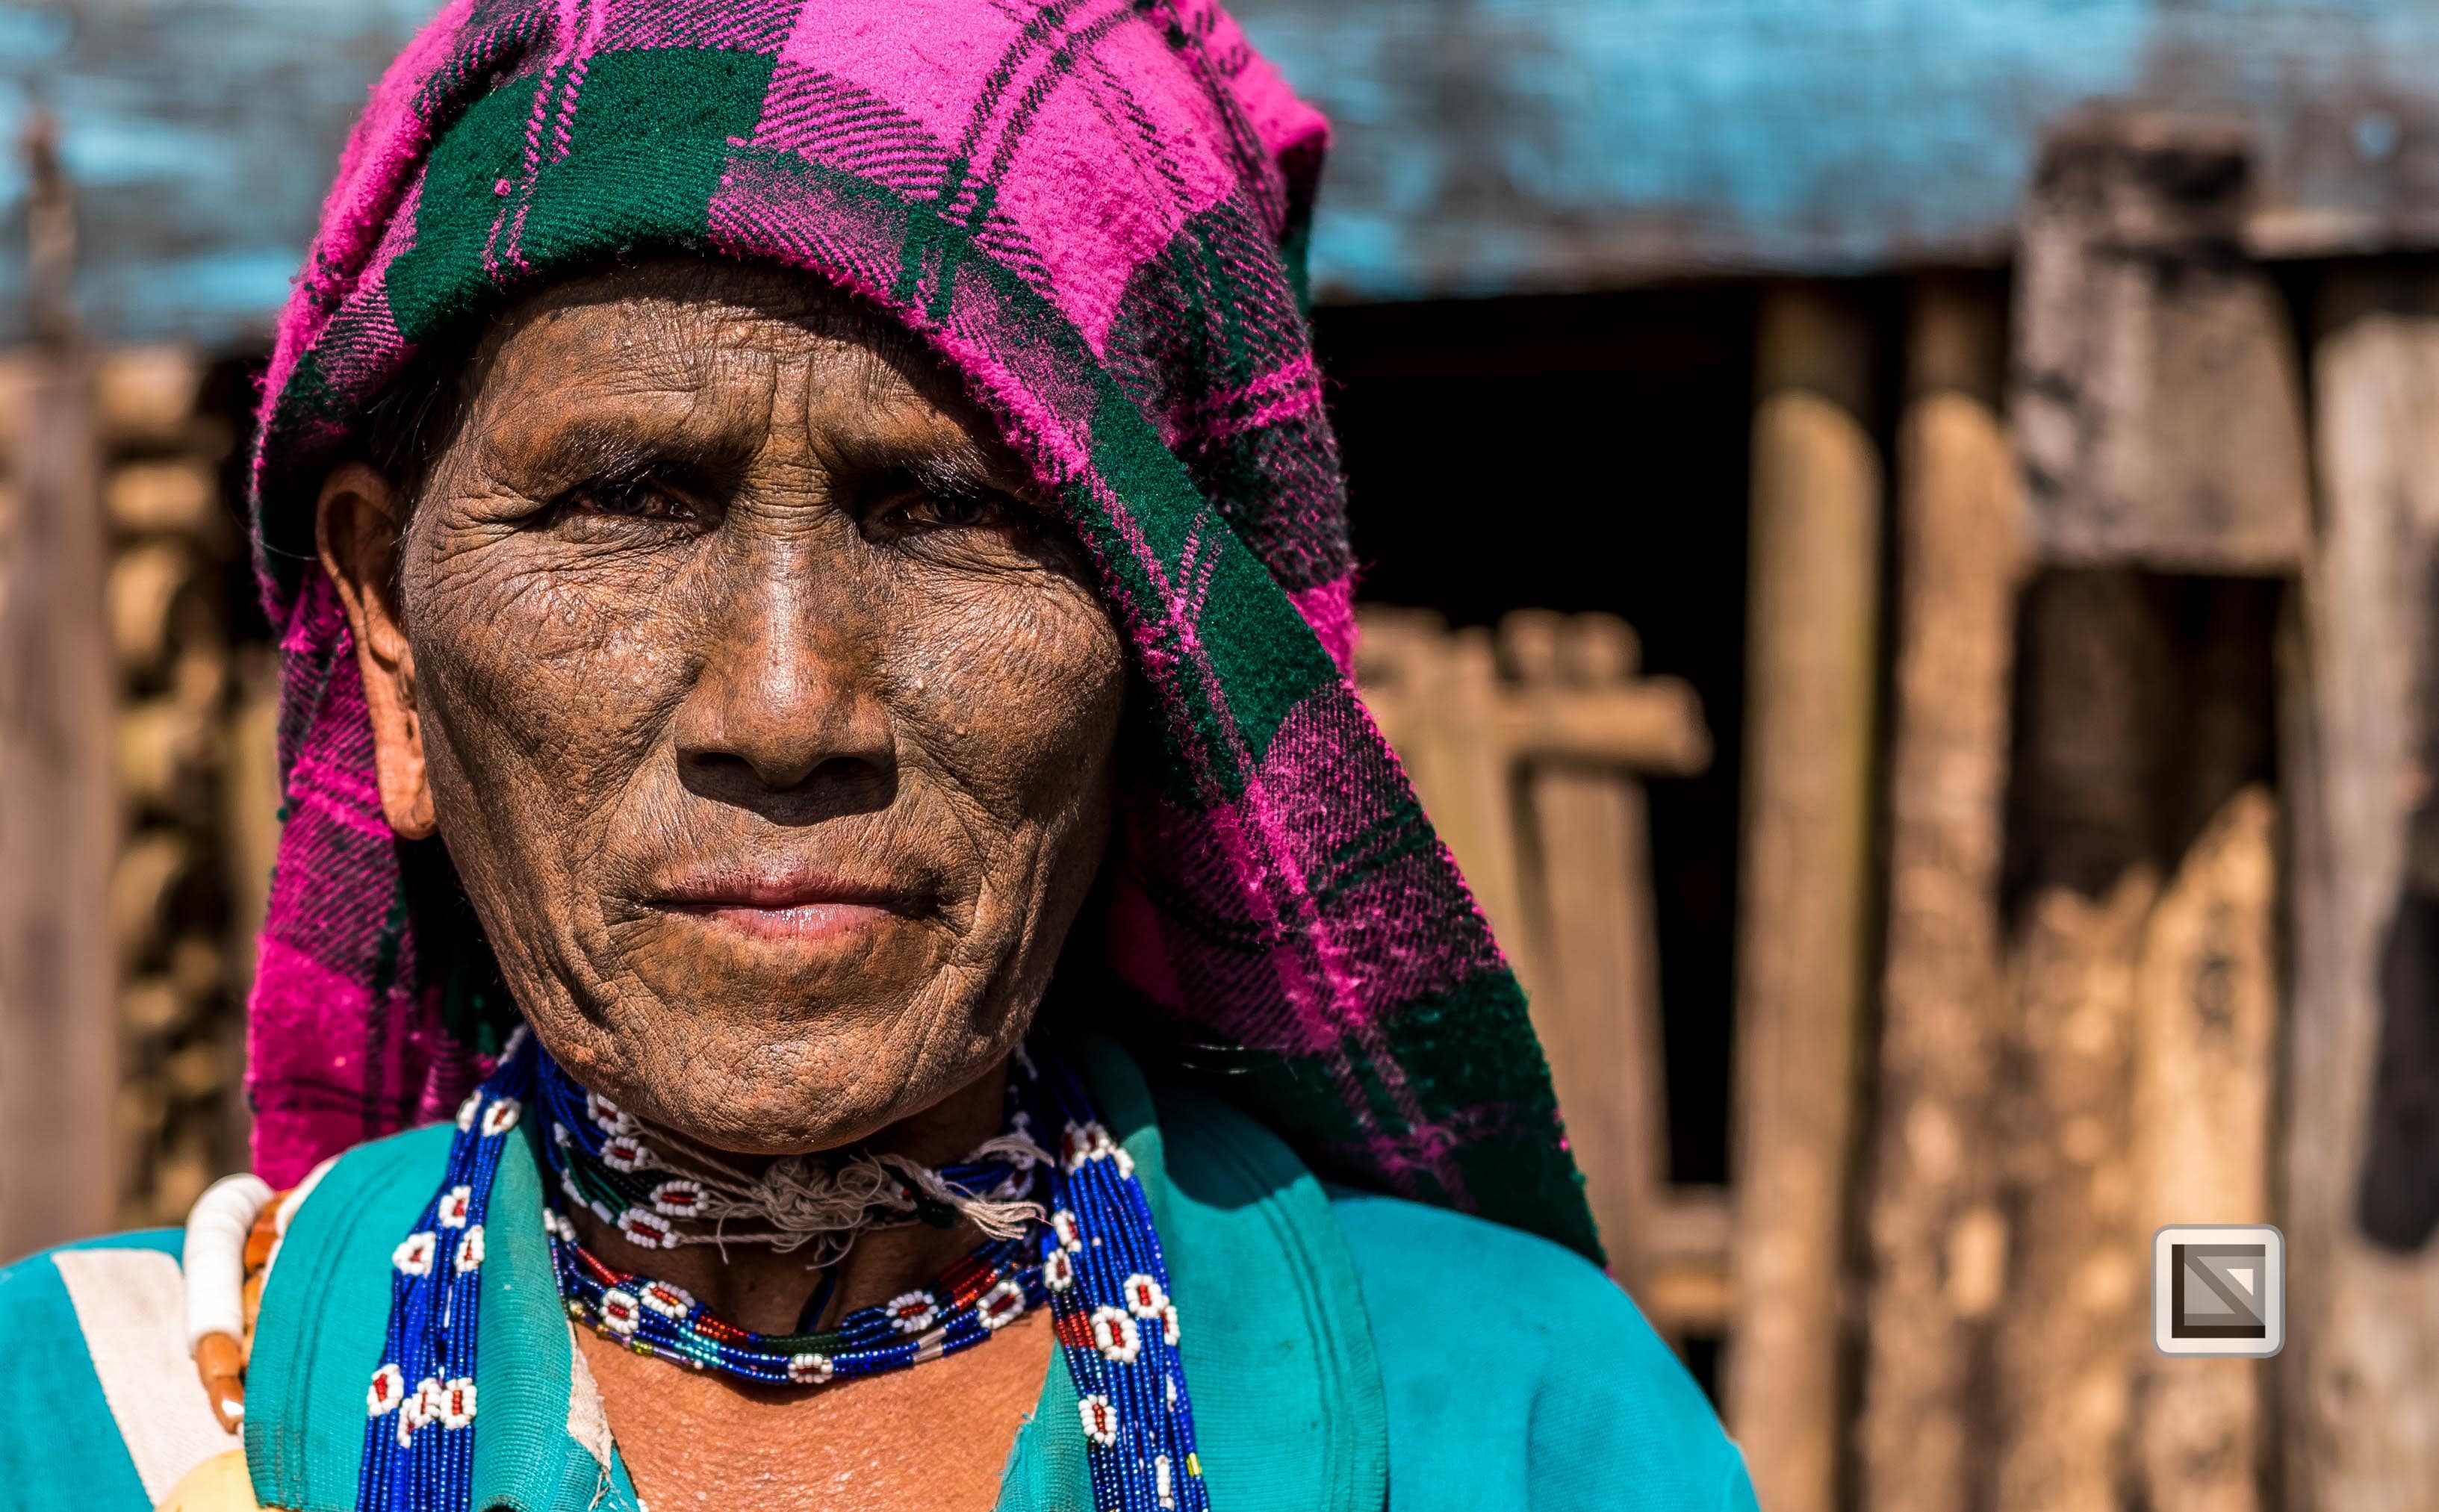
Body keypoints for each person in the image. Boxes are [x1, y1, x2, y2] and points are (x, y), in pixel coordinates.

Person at [0, 2, 1756, 1508]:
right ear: (390, 629)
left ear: (1158, 645)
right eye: (623, 499)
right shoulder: (86, 1429)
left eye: (948, 508)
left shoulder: (1511, 1419)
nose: (783, 707)